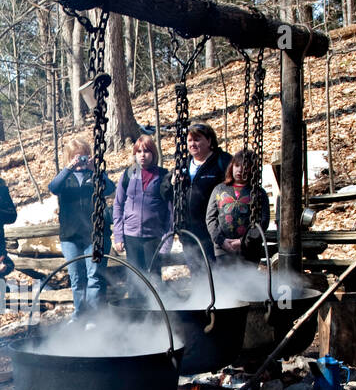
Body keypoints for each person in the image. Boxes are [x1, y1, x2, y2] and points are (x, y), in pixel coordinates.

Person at [47, 137, 114, 319]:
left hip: (95, 235)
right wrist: (69, 168)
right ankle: (79, 315)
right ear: (69, 158)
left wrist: (95, 170)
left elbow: (109, 189)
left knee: (94, 277)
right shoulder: (65, 179)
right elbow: (53, 187)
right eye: (77, 157)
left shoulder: (94, 176)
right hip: (70, 236)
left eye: (84, 156)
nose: (81, 161)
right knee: (77, 279)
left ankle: (93, 317)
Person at [112, 134, 173, 281]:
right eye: (138, 152)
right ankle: (135, 304)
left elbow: (171, 212)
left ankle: (155, 304)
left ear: (153, 153)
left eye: (146, 151)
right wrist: (119, 235)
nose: (142, 155)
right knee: (134, 278)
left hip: (153, 236)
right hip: (131, 235)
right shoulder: (129, 174)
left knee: (153, 277)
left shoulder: (163, 176)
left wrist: (167, 241)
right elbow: (118, 205)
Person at [206, 148, 270, 262]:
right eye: (237, 165)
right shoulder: (219, 189)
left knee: (247, 279)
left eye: (245, 166)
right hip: (223, 249)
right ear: (232, 166)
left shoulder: (258, 193)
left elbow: (263, 220)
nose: (240, 170)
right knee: (224, 279)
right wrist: (221, 241)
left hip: (250, 249)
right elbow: (210, 218)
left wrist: (243, 241)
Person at [182, 123, 232, 263]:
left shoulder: (222, 161)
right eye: (190, 140)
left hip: (214, 230)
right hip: (189, 231)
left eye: (197, 139)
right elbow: (166, 192)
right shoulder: (184, 164)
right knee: (197, 273)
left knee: (216, 273)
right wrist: (172, 182)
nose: (193, 144)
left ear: (209, 141)